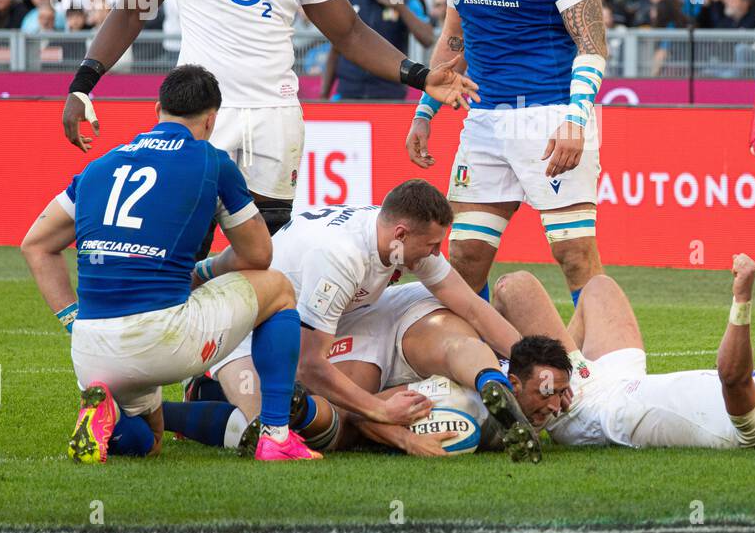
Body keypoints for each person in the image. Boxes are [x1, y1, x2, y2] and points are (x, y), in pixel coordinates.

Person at [59, 0, 476, 251]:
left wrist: (419, 76)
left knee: (269, 254)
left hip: (275, 116)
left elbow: (348, 31)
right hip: (201, 113)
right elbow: (133, 10)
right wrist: (83, 82)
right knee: (187, 244)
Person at [20, 66, 319, 463]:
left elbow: (36, 245)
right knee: (278, 288)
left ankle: (107, 414)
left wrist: (73, 319)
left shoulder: (100, 165)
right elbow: (258, 256)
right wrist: (205, 271)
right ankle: (276, 435)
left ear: (157, 108)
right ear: (212, 119)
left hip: (91, 350)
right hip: (162, 336)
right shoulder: (213, 162)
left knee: (149, 442)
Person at [190, 180, 545, 462]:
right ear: (402, 234)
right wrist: (382, 410)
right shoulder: (341, 257)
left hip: (340, 317)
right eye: (434, 245)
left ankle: (488, 375)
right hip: (250, 328)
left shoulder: (395, 235)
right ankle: (197, 394)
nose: (437, 253)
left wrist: (529, 365)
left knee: (345, 404)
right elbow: (307, 365)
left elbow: (471, 306)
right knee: (270, 428)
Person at [405, 0, 604, 308]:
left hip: (551, 116)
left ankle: (608, 369)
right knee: (465, 257)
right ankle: (482, 368)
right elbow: (455, 40)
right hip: (484, 120)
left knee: (574, 254)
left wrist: (576, 118)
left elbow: (593, 46)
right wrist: (425, 112)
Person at [490, 256, 755, 451]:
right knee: (599, 288)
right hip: (623, 378)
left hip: (591, 407)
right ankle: (540, 370)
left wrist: (742, 297)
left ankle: (514, 387)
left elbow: (733, 377)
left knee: (516, 286)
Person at [321, 0, 436, 100]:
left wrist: (399, 7)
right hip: (349, 92)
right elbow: (335, 50)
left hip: (388, 94)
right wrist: (323, 95)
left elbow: (427, 38)